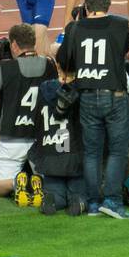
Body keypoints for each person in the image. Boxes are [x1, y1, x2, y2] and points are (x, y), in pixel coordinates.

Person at [56, 0, 129, 219]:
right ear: (108, 5)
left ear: (86, 7)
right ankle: (111, 200)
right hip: (115, 94)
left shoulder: (75, 28)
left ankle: (92, 203)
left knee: (91, 152)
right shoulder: (120, 24)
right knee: (117, 152)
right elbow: (123, 52)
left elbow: (64, 60)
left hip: (87, 95)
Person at [0, 23, 56, 198]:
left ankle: (18, 182)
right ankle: (38, 180)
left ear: (13, 45)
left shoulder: (7, 69)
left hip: (12, 138)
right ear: (34, 42)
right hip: (42, 138)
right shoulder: (50, 66)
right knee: (51, 181)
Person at [26, 70, 85, 214]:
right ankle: (77, 201)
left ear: (58, 67)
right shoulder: (79, 91)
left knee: (55, 192)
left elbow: (35, 121)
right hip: (72, 155)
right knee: (78, 191)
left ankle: (51, 199)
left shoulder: (43, 89)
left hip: (48, 156)